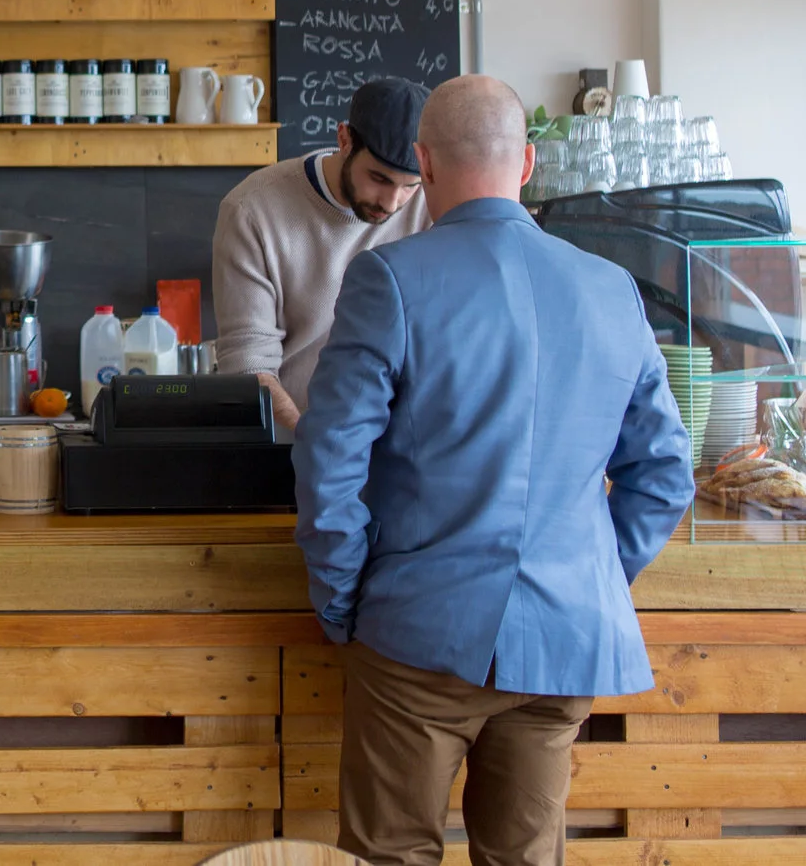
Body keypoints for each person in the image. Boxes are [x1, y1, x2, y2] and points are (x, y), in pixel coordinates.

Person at [291, 75, 693, 866]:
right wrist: (588, 573)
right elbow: (665, 473)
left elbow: (329, 456)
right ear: (528, 163)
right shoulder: (612, 288)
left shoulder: (390, 277)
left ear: (424, 162)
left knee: (389, 856)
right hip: (564, 641)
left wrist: (342, 597)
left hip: (417, 631)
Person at [213, 77, 431, 429]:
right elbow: (249, 368)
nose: (392, 203)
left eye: (410, 186)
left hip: (401, 448)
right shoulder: (252, 211)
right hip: (294, 440)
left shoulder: (431, 204)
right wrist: (317, 452)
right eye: (379, 179)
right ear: (344, 140)